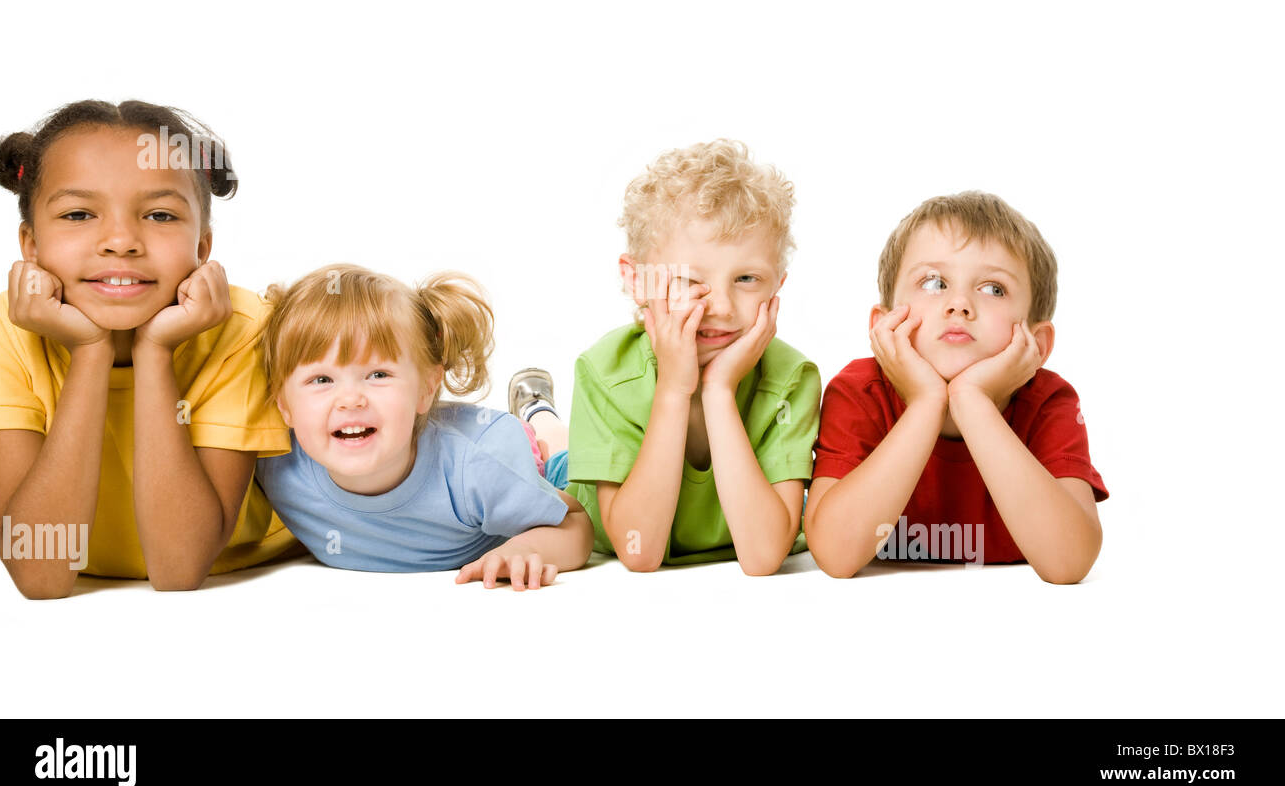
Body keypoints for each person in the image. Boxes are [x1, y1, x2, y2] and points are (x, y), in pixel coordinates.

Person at [0, 100, 293, 598]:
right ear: (31, 245)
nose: (121, 241)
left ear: (203, 248)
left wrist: (155, 353)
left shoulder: (242, 328)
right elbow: (40, 575)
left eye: (159, 214)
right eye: (79, 213)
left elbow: (178, 568)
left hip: (253, 570)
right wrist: (90, 352)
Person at [805, 191, 1108, 584]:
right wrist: (926, 403)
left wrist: (972, 401)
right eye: (934, 282)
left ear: (1039, 344)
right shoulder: (859, 392)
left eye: (993, 288)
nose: (960, 304)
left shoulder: (1049, 402)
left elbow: (1069, 563)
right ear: (883, 325)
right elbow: (834, 554)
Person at [564, 140, 820, 574]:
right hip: (574, 477)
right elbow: (640, 552)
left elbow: (762, 557)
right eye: (687, 279)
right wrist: (673, 390)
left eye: (746, 278)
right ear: (637, 279)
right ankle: (539, 413)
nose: (720, 305)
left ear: (777, 285)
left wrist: (719, 391)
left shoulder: (792, 379)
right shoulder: (605, 371)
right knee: (552, 453)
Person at [255, 264, 593, 590]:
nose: (350, 400)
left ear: (427, 389)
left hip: (517, 458)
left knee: (561, 457)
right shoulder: (275, 467)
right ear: (284, 405)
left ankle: (538, 410)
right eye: (322, 379)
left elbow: (576, 523)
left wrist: (525, 550)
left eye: (378, 375)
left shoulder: (476, 473)